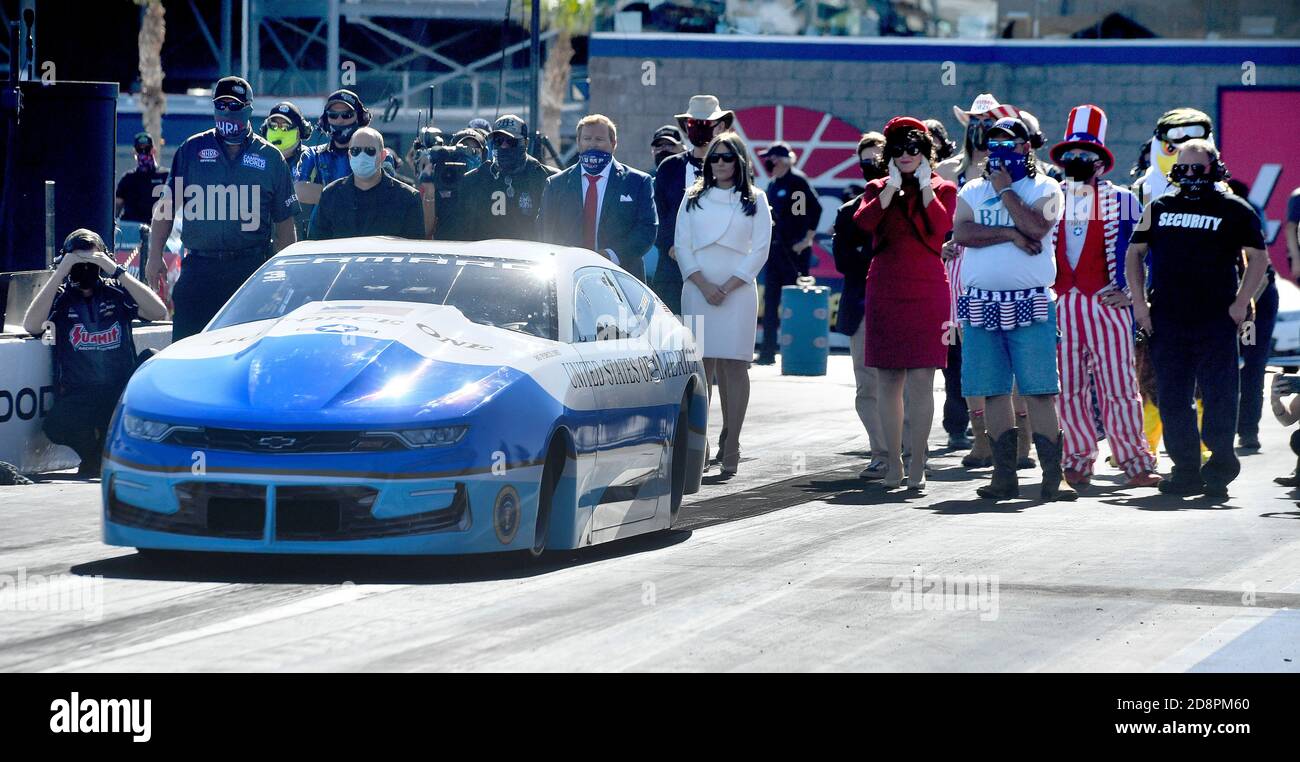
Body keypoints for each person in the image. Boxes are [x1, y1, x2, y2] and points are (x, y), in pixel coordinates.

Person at [1127, 140, 1268, 498]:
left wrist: (1241, 303)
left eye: (1197, 168)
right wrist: (1140, 306)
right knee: (1173, 397)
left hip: (1215, 320)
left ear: (1214, 168)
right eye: (1183, 168)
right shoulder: (1159, 207)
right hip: (1167, 320)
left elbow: (1259, 259)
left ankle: (1220, 467)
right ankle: (1186, 469)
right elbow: (1134, 253)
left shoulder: (1235, 209)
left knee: (1220, 395)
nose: (1190, 175)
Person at [952, 116, 1075, 501]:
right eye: (994, 143)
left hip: (1032, 301)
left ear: (1027, 147)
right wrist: (1008, 234)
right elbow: (963, 233)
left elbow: (1038, 228)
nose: (1000, 151)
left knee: (1039, 391)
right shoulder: (972, 188)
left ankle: (1054, 477)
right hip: (981, 302)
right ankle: (1004, 476)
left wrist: (1006, 192)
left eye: (1010, 142)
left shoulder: (1047, 186)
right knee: (992, 391)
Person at [1047, 104, 1160, 489]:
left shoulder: (1125, 199)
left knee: (1120, 387)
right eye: (1072, 154)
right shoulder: (1051, 197)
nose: (1077, 160)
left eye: (1086, 154)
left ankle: (1134, 460)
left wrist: (1130, 293)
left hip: (1106, 303)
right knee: (1068, 388)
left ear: (1100, 161)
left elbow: (1142, 251)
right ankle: (1077, 458)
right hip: (1063, 302)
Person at [145, 76, 300, 341]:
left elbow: (285, 226)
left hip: (249, 271)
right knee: (188, 348)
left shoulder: (270, 158)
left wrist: (286, 274)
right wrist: (154, 254)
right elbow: (166, 207)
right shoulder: (192, 149)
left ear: (249, 109)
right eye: (222, 105)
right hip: (199, 269)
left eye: (235, 106)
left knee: (247, 350)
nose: (227, 112)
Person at [854, 117, 957, 490]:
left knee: (921, 381)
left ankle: (919, 461)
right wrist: (889, 191)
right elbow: (863, 223)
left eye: (913, 149)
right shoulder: (876, 187)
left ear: (925, 152)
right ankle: (893, 461)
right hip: (885, 287)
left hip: (927, 289)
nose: (906, 155)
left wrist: (926, 187)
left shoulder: (943, 188)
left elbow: (940, 227)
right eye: (897, 150)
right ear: (889, 155)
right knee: (888, 380)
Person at [22, 229, 169, 477]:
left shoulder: (116, 291)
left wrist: (114, 268)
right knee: (56, 425)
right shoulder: (60, 297)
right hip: (81, 394)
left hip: (120, 391)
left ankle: (108, 453)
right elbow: (32, 326)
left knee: (152, 357)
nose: (86, 267)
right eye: (80, 261)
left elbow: (158, 311)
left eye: (91, 261)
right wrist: (61, 272)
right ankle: (98, 454)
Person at [675, 133, 772, 477]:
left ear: (740, 161)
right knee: (701, 369)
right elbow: (681, 245)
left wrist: (729, 286)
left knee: (735, 367)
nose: (720, 163)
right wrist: (703, 283)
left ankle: (731, 443)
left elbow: (760, 250)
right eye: (715, 157)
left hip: (739, 292)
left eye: (728, 157)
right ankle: (697, 445)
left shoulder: (756, 199)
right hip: (698, 289)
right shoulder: (692, 197)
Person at [937, 93, 1019, 462]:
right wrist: (942, 246)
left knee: (1005, 352)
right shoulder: (950, 171)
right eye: (975, 122)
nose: (981, 129)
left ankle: (1014, 434)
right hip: (957, 269)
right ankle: (970, 429)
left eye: (988, 122)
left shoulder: (1018, 171)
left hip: (1002, 264)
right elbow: (937, 222)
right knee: (963, 352)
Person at [833, 131, 892, 480]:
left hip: (899, 304)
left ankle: (909, 450)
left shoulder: (906, 205)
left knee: (900, 380)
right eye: (865, 160)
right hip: (861, 304)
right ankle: (880, 452)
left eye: (877, 159)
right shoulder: (848, 211)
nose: (871, 165)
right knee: (867, 385)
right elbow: (844, 261)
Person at [537, 114, 657, 281]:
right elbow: (545, 231)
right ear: (578, 142)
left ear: (613, 143)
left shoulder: (638, 182)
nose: (592, 144)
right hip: (568, 276)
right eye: (587, 138)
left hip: (623, 276)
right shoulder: (556, 184)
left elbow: (647, 229)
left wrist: (610, 255)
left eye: (599, 139)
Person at [653, 96, 736, 314]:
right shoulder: (669, 167)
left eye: (705, 124)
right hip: (672, 267)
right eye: (693, 124)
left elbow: (742, 214)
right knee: (669, 330)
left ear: (719, 127)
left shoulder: (735, 169)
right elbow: (658, 214)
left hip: (717, 269)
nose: (699, 129)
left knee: (710, 337)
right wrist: (672, 247)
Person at [756, 141, 822, 365]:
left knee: (796, 300)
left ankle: (798, 349)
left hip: (794, 253)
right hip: (775, 252)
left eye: (772, 158)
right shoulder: (773, 184)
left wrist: (807, 239)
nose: (768, 163)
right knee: (771, 300)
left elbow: (814, 209)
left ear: (781, 159)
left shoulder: (796, 182)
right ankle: (767, 352)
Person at [439, 114, 554, 242]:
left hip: (532, 258)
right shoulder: (474, 181)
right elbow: (460, 233)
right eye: (498, 141)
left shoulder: (547, 179)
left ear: (525, 143)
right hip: (487, 256)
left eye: (510, 141)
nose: (504, 146)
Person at [1226, 177, 1277, 452]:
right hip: (1225, 301)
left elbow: (1259, 272)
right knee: (1221, 365)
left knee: (1252, 362)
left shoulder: (1247, 213)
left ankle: (1248, 430)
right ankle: (1215, 428)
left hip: (1257, 300)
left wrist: (1244, 311)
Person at [307, 127, 424, 240]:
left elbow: (413, 248)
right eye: (355, 151)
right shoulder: (330, 195)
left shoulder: (407, 198)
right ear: (349, 155)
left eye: (370, 151)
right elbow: (316, 243)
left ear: (382, 156)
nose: (362, 156)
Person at [295, 89, 370, 222]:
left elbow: (382, 195)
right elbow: (300, 191)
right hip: (324, 237)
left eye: (346, 115)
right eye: (333, 116)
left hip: (364, 237)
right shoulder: (312, 154)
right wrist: (354, 195)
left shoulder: (374, 153)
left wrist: (321, 192)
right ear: (325, 120)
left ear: (359, 118)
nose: (339, 120)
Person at [260, 100, 313, 237]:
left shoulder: (313, 159)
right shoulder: (254, 158)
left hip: (302, 244)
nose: (278, 131)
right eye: (273, 126)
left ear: (300, 131)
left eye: (285, 127)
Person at [115, 132, 169, 224]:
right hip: (132, 229)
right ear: (135, 152)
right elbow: (116, 208)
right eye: (139, 149)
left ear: (153, 150)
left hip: (157, 228)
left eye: (147, 149)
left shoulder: (166, 176)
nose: (143, 152)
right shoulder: (128, 178)